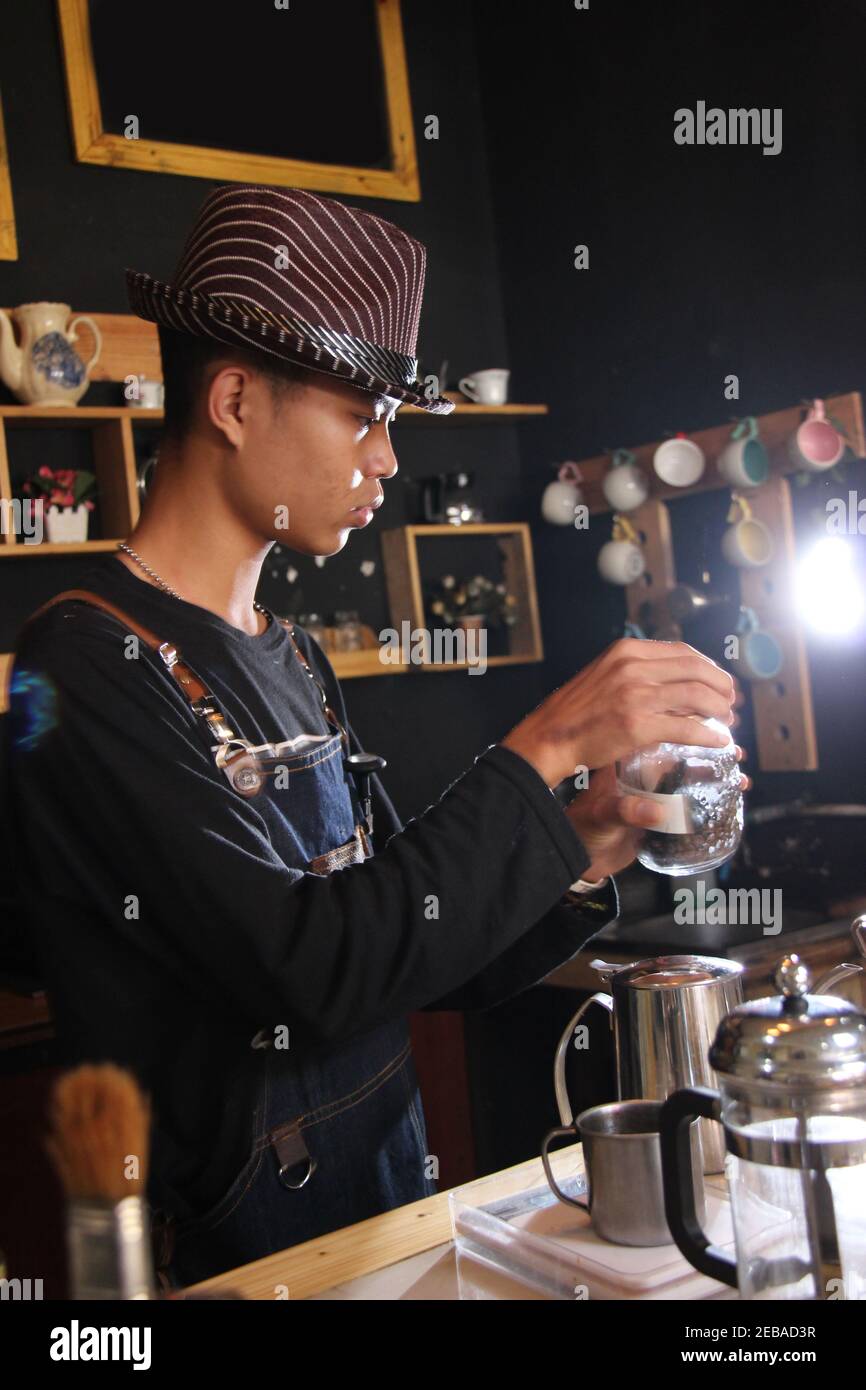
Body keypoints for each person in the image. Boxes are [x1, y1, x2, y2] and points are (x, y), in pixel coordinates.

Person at [5, 184, 742, 1289]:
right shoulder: (81, 664)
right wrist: (539, 749)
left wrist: (583, 836)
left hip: (378, 1224)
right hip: (225, 1263)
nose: (387, 459)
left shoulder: (291, 654)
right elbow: (313, 966)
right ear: (239, 400)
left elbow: (409, 941)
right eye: (363, 415)